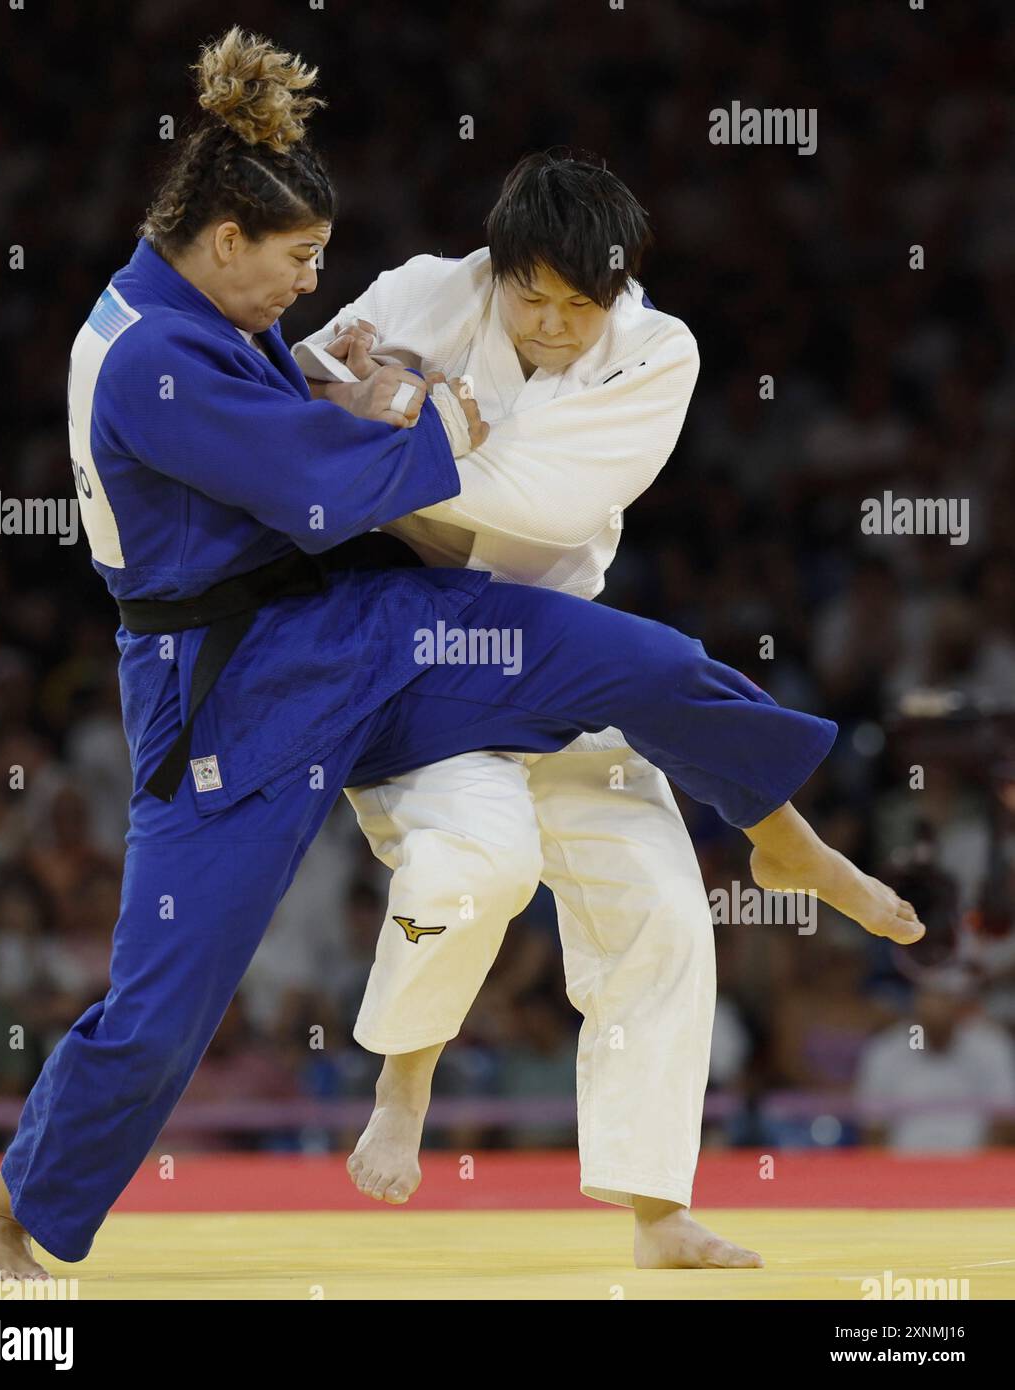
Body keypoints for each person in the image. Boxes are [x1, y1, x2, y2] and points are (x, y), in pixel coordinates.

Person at [0, 28, 923, 1281]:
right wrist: (424, 415)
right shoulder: (154, 356)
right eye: (299, 258)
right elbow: (311, 490)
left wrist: (368, 406)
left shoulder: (202, 305)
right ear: (226, 239)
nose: (313, 283)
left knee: (643, 659)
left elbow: (322, 424)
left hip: (376, 616)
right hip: (233, 687)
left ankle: (771, 815)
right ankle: (14, 1210)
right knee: (163, 1011)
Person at [296, 152, 911, 1269]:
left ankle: (655, 1206)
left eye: (581, 305)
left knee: (664, 909)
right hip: (412, 640)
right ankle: (403, 1080)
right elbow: (300, 407)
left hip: (554, 641)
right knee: (473, 871)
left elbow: (553, 497)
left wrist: (396, 429)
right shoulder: (424, 290)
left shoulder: (655, 349)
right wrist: (383, 415)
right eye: (530, 295)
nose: (552, 324)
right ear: (496, 266)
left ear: (619, 291)